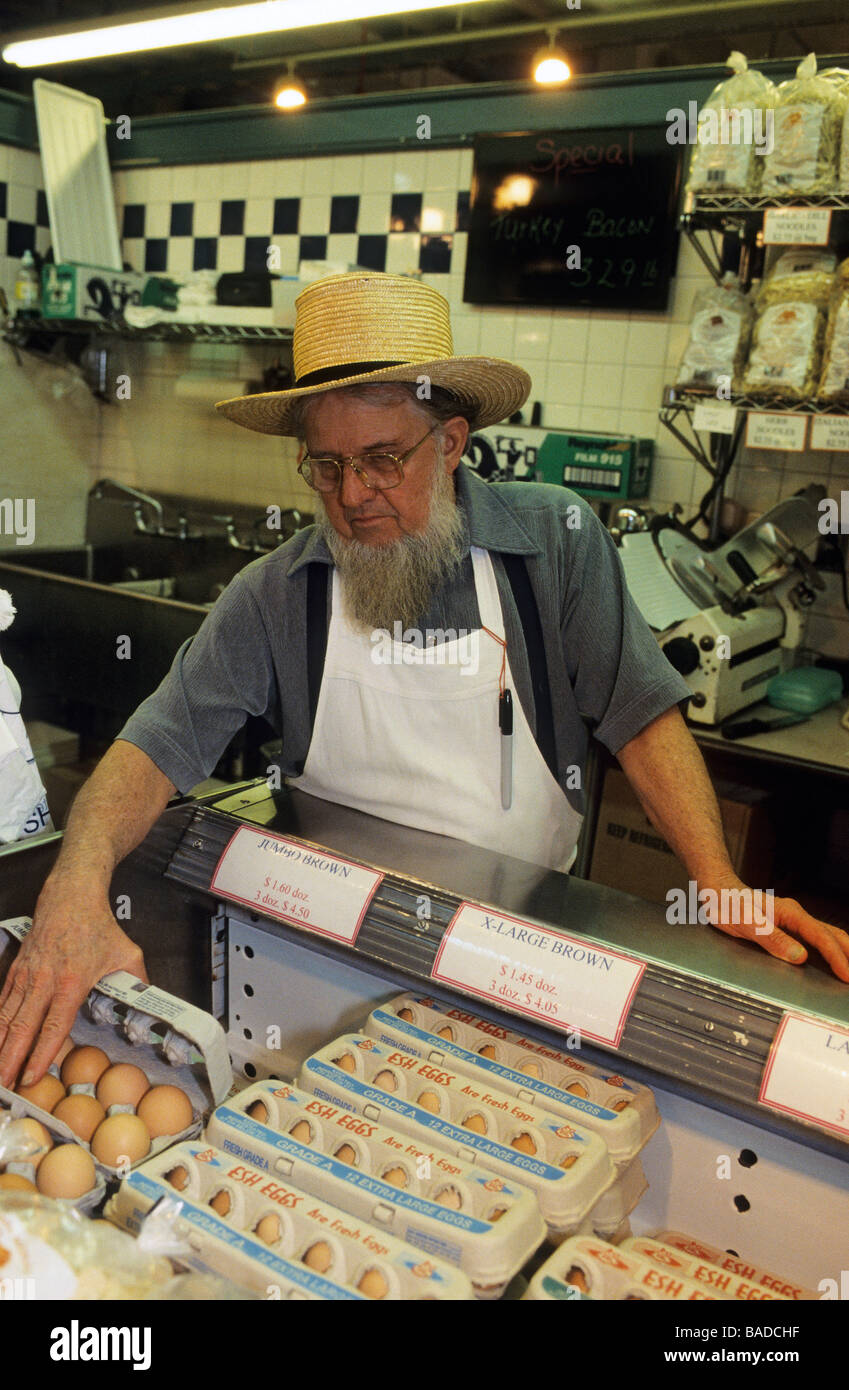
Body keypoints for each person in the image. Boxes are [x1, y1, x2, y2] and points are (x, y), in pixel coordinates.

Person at [1, 271, 847, 1089]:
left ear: (449, 443)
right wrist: (75, 885)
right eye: (325, 467)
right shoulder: (278, 592)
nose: (353, 496)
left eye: (380, 460)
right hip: (318, 958)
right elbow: (153, 747)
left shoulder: (551, 544)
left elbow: (640, 716)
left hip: (519, 959)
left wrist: (718, 884)